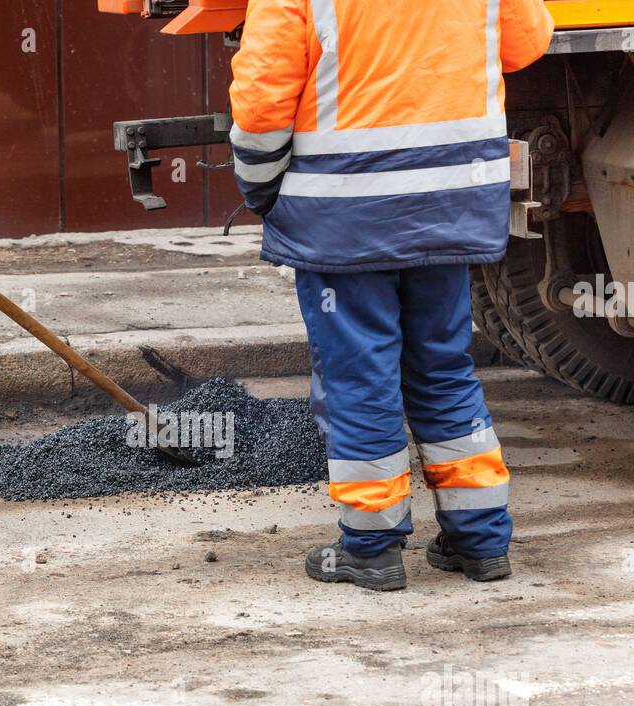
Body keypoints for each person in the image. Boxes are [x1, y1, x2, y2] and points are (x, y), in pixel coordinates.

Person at [229, 0, 554, 591]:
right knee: (443, 369)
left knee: (361, 377)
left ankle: (372, 548)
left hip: (346, 215)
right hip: (449, 206)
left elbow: (261, 98)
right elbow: (527, 41)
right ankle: (479, 542)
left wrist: (258, 187)